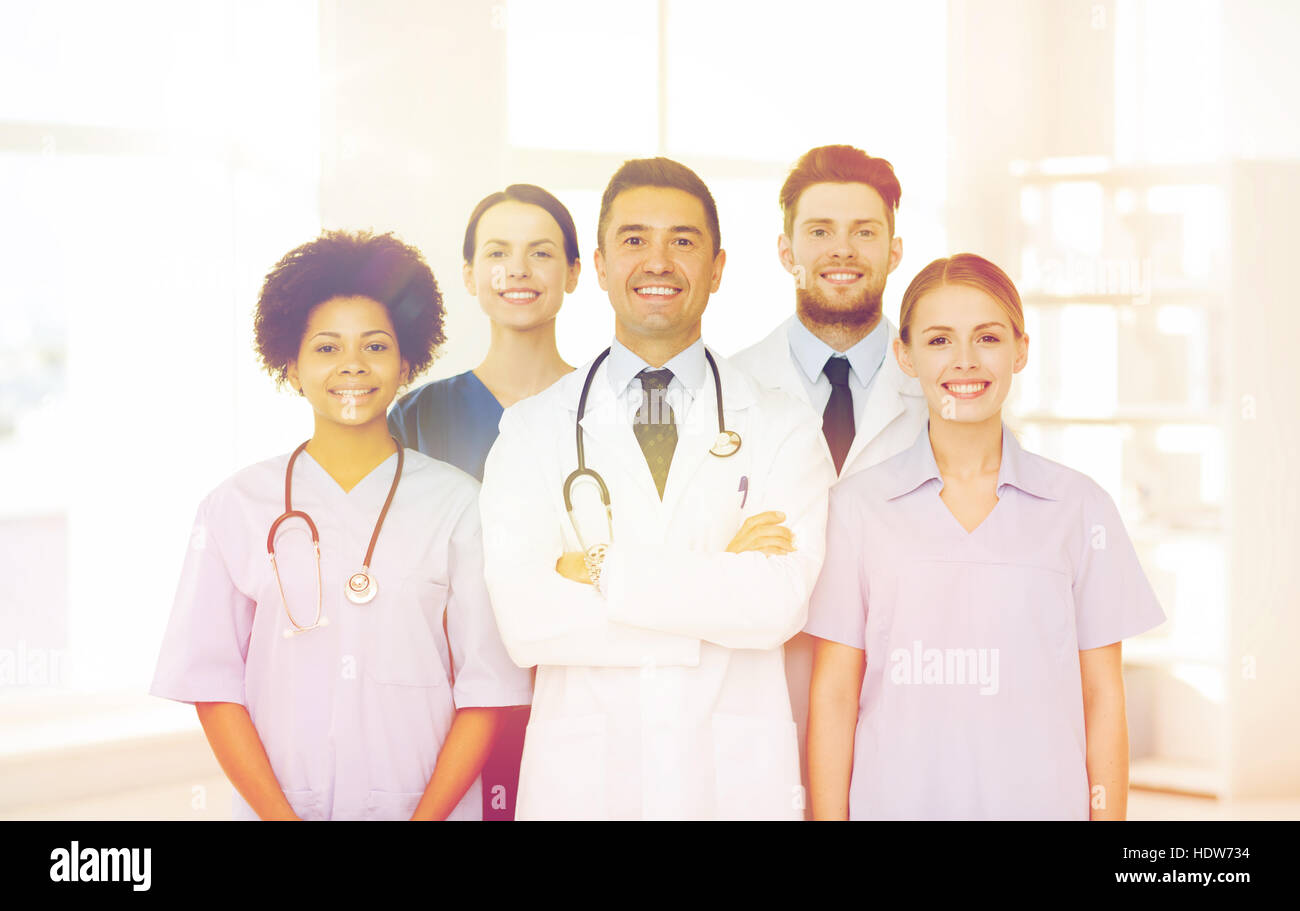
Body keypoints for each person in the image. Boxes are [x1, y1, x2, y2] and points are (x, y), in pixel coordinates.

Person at [478, 157, 835, 820]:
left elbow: (776, 605)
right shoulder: (532, 430)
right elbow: (527, 623)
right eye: (635, 240)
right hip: (586, 787)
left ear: (718, 268)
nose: (658, 262)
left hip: (734, 786)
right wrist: (719, 578)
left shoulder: (782, 424)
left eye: (684, 241)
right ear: (604, 265)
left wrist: (600, 569)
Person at [150, 230, 532, 820]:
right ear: (291, 365)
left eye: (375, 346)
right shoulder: (235, 506)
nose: (352, 365)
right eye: (326, 348)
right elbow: (214, 686)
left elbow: (486, 690)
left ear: (407, 363)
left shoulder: (458, 507)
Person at [805, 253, 1165, 820]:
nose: (966, 361)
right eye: (940, 340)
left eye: (988, 337)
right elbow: (833, 696)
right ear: (905, 355)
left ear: (1021, 349)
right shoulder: (857, 509)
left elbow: (1102, 697)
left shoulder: (1081, 508)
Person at [729, 145, 928, 812]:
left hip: (905, 688)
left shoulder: (944, 386)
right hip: (760, 690)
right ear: (786, 249)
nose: (842, 250)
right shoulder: (727, 390)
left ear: (895, 249)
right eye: (819, 231)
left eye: (864, 231)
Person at [388, 184, 580, 820]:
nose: (519, 270)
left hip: (576, 690)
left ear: (575, 273)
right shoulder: (417, 416)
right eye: (498, 252)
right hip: (448, 705)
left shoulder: (607, 409)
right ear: (470, 275)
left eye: (542, 252)